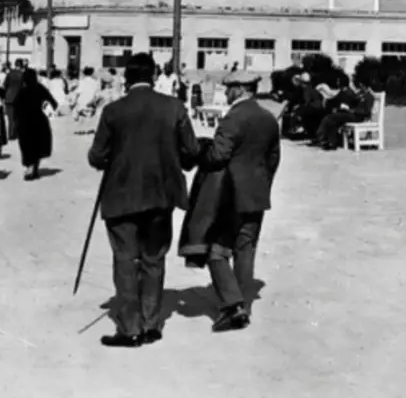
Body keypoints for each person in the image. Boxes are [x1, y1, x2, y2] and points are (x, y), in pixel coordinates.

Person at [88, 53, 200, 348]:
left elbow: (96, 156)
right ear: (153, 76)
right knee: (154, 259)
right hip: (161, 196)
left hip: (121, 196)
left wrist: (113, 157)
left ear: (127, 78)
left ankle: (130, 329)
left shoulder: (113, 111)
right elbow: (191, 151)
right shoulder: (174, 107)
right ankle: (152, 324)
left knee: (125, 261)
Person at [196, 69, 281, 333]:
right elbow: (273, 159)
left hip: (230, 194)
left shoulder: (233, 118)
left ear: (240, 90)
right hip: (257, 194)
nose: (226, 92)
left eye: (229, 88)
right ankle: (245, 306)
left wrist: (201, 150)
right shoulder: (268, 118)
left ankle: (233, 306)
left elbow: (219, 156)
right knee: (246, 249)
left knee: (216, 250)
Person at [13, 68, 55, 180]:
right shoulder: (40, 88)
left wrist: (15, 121)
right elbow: (53, 102)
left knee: (26, 146)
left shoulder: (22, 91)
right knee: (37, 145)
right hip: (39, 121)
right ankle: (34, 168)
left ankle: (29, 168)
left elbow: (15, 107)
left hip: (24, 122)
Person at [3, 61, 25, 137]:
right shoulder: (23, 74)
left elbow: (5, 85)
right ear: (22, 66)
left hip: (9, 97)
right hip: (20, 97)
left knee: (10, 117)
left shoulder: (9, 74)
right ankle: (16, 133)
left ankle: (10, 134)